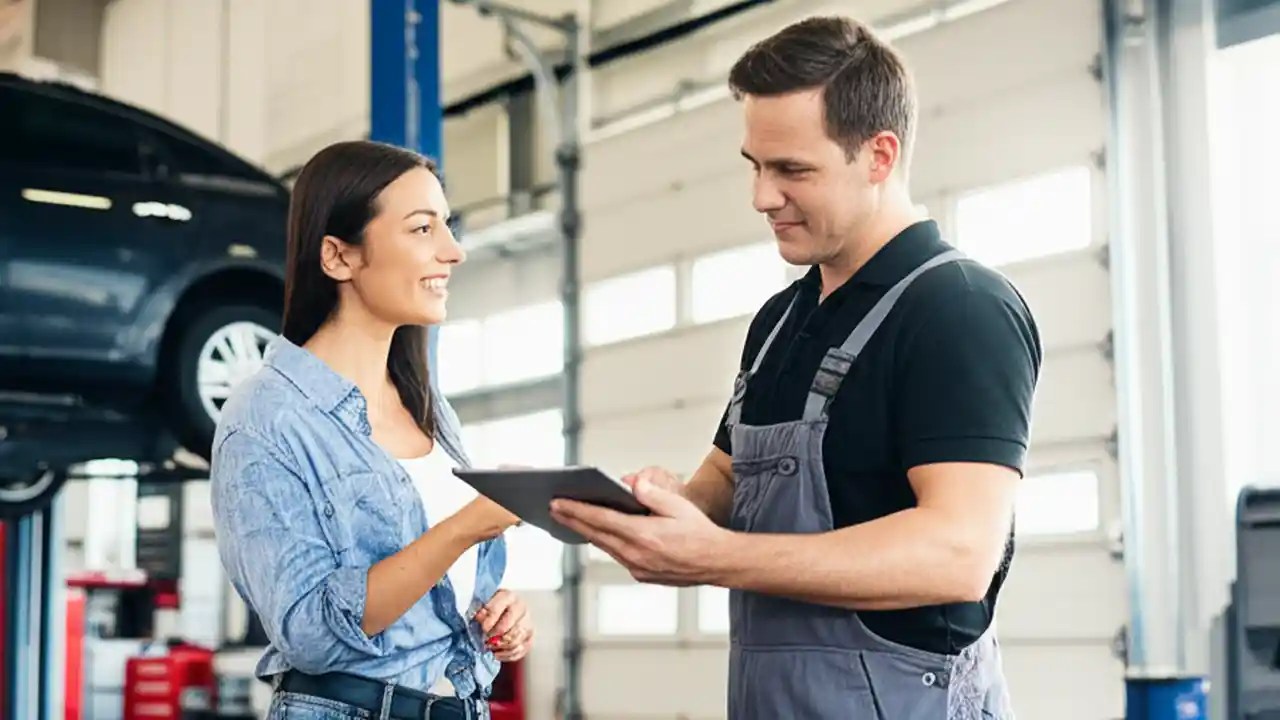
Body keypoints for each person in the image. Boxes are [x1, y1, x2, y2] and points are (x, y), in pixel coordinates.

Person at [550, 15, 1040, 720]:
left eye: (792, 170)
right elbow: (727, 476)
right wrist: (670, 508)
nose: (761, 197)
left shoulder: (959, 309)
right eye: (755, 165)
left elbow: (957, 553)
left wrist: (713, 557)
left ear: (879, 155)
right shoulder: (779, 321)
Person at [210, 140, 532, 720]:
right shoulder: (264, 421)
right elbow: (310, 631)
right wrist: (465, 528)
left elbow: (433, 597)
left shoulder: (427, 406)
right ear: (338, 257)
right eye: (422, 229)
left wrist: (494, 614)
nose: (454, 251)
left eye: (448, 226)